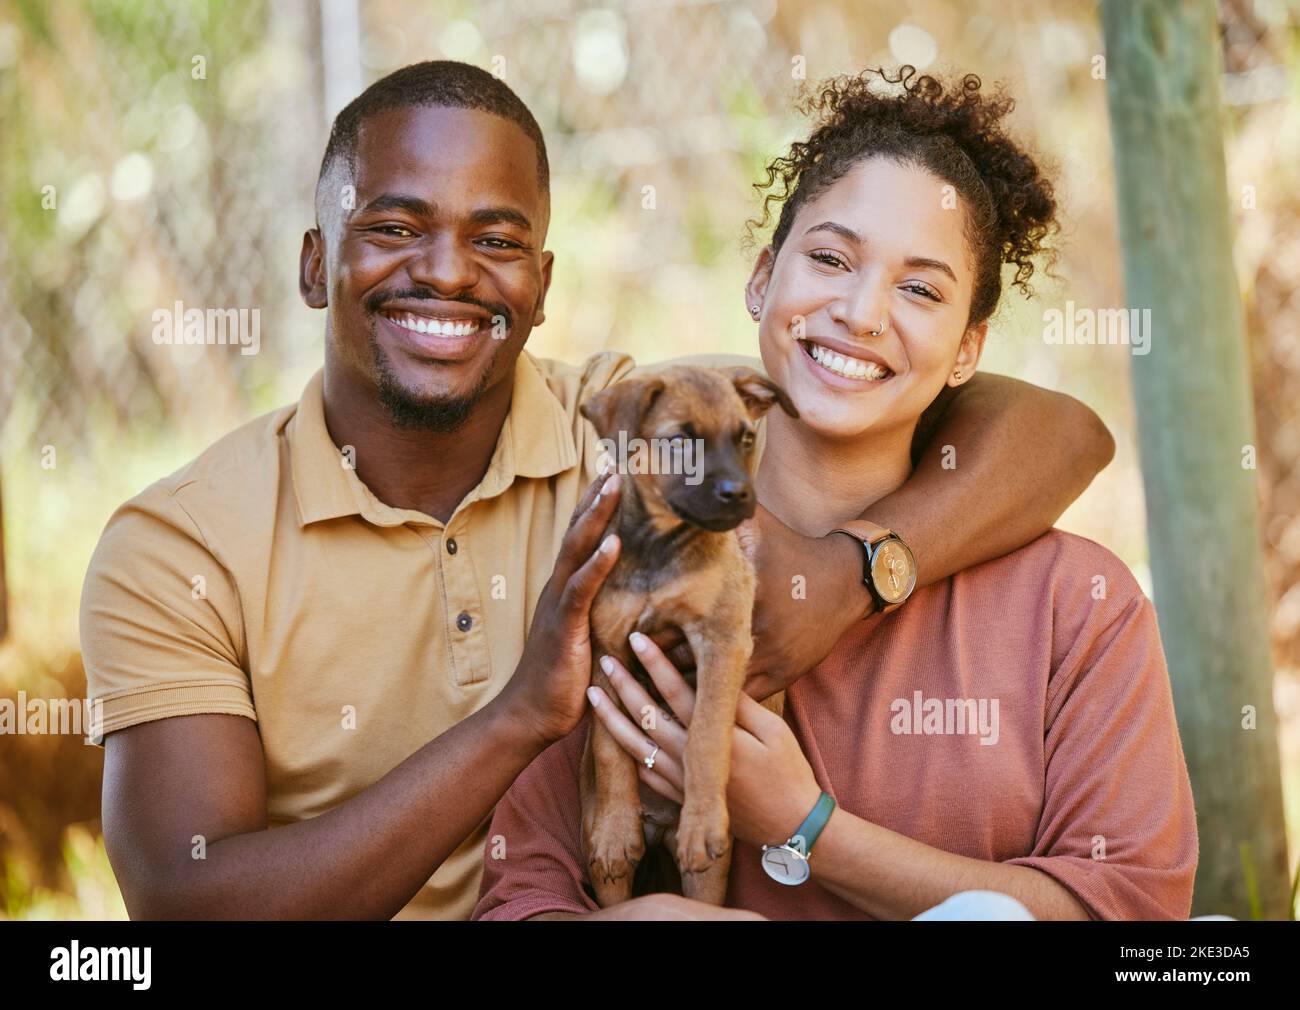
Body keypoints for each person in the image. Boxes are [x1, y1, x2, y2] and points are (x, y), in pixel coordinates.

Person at [80, 61, 1114, 920]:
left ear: (541, 283)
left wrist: (854, 571)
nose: (447, 272)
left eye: (496, 240)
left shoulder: (631, 430)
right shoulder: (181, 548)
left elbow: (1056, 430)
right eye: (394, 228)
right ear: (315, 264)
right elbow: (183, 898)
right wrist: (517, 716)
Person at [473, 67, 1197, 922]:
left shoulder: (1076, 606)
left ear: (968, 349)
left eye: (920, 289)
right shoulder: (631, 562)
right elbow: (523, 891)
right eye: (829, 258)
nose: (860, 312)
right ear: (760, 281)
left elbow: (1143, 923)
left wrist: (807, 824)